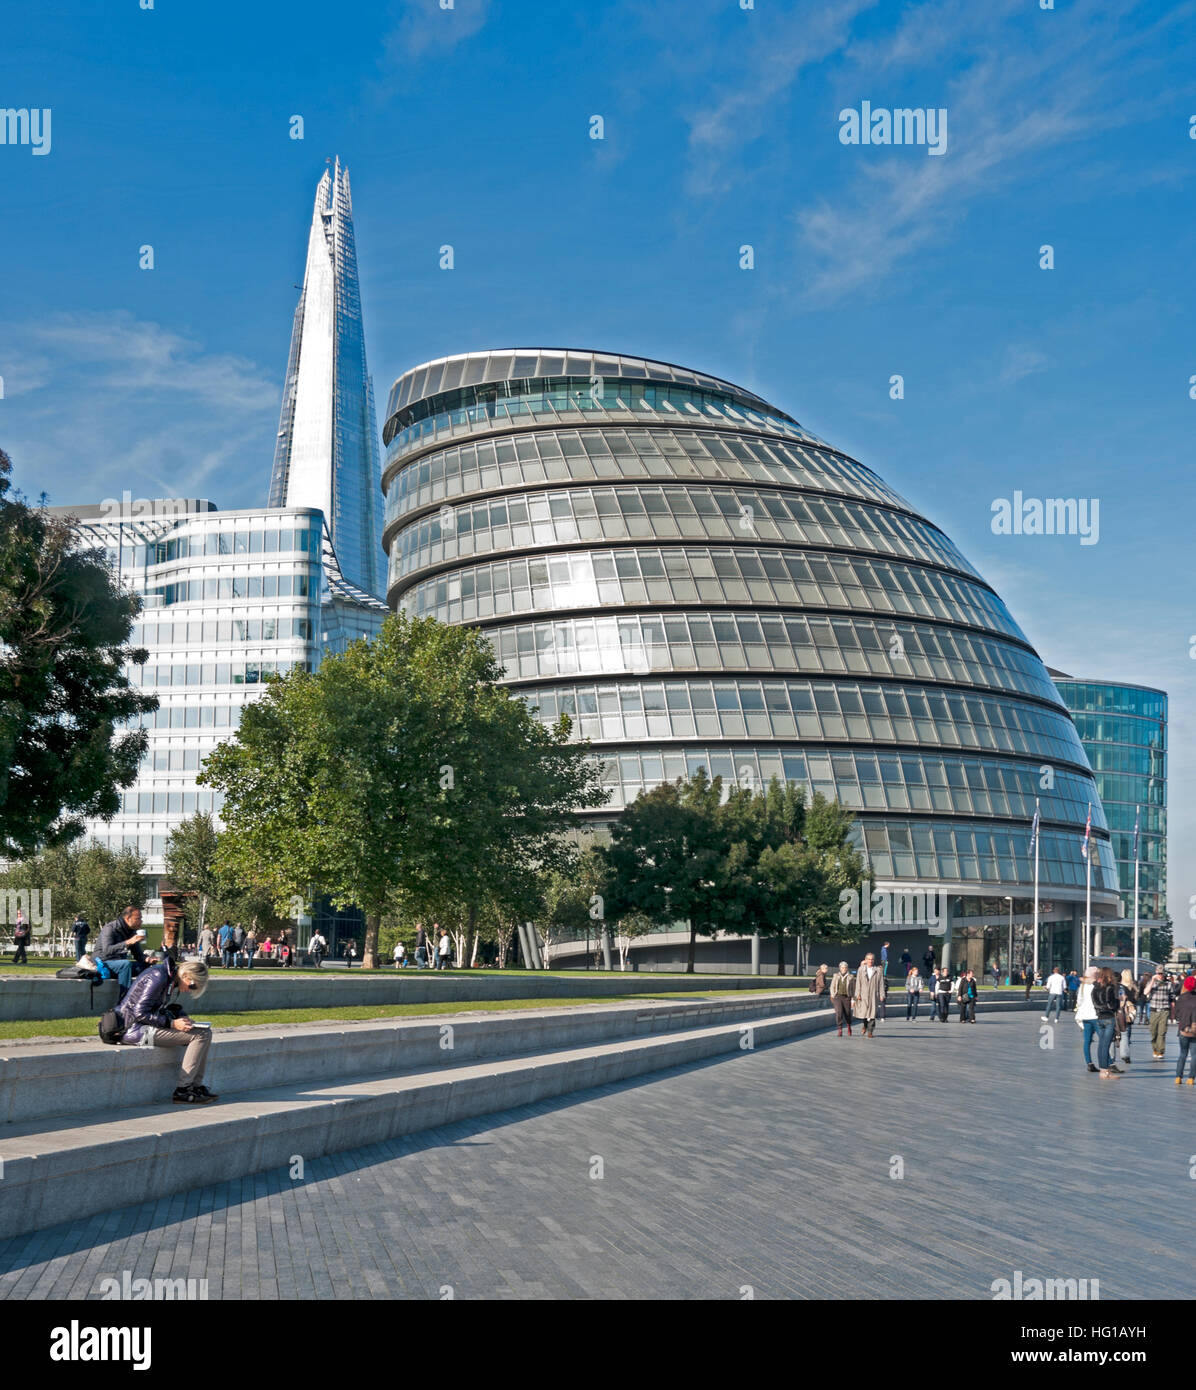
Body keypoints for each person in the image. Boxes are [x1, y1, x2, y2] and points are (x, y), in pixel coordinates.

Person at [117, 957, 218, 1104]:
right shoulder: (158, 976)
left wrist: (181, 1018)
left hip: (143, 1029)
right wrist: (171, 1023)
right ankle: (183, 1090)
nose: (190, 991)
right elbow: (139, 1013)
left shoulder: (167, 978)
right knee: (200, 1036)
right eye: (193, 986)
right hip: (133, 1033)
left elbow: (156, 1009)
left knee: (205, 1033)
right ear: (186, 976)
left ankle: (195, 1086)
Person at [97, 906, 149, 999]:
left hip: (120, 964)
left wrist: (147, 959)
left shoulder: (131, 932)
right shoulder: (110, 928)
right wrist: (128, 942)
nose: (141, 921)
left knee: (146, 966)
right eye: (138, 918)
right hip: (103, 963)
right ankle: (123, 1002)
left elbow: (138, 955)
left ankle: (143, 1000)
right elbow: (107, 951)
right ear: (128, 918)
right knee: (125, 964)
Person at [1091, 967, 1122, 1078]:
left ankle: (1103, 1071)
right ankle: (1105, 1071)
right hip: (1108, 1017)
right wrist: (1118, 1002)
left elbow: (1094, 1003)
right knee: (1106, 1045)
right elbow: (1110, 1004)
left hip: (1099, 1017)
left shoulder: (1095, 988)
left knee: (1101, 1045)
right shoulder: (1109, 988)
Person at [852, 952, 885, 1038]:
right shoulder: (861, 969)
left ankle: (870, 1031)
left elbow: (881, 983)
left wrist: (882, 995)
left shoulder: (878, 970)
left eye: (872, 959)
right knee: (864, 1012)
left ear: (874, 960)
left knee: (872, 1013)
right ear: (866, 960)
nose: (870, 961)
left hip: (874, 994)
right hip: (863, 994)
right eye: (869, 959)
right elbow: (858, 983)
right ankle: (865, 1025)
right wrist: (857, 994)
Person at [1143, 966, 1172, 1058]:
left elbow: (1172, 995)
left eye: (1161, 973)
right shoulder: (1152, 982)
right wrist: (1152, 980)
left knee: (1162, 1032)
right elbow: (1145, 992)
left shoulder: (1168, 983)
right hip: (1154, 1010)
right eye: (1158, 973)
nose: (1160, 975)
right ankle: (1155, 1049)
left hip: (1164, 1010)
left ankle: (1161, 1051)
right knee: (1153, 1032)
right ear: (1156, 973)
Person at [1175, 977, 1196, 1085]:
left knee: (1182, 1053)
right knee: (1194, 1055)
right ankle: (1191, 1078)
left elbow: (1176, 1015)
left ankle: (1178, 1077)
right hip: (1194, 1031)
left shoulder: (1181, 998)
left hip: (1183, 1029)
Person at [1116, 969, 1138, 1065]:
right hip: (1130, 1010)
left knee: (1121, 1030)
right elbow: (1136, 999)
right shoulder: (1133, 987)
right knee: (1128, 1030)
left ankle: (1122, 1049)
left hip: (1122, 1010)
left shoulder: (1121, 987)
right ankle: (1126, 1052)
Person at [829, 961, 854, 1036]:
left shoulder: (851, 977)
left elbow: (853, 989)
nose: (844, 969)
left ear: (847, 968)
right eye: (842, 967)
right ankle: (840, 1029)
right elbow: (832, 986)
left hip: (847, 997)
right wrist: (833, 995)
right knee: (839, 1013)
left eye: (845, 967)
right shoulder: (836, 976)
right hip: (838, 997)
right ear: (840, 968)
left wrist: (853, 999)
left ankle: (849, 1026)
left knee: (847, 1013)